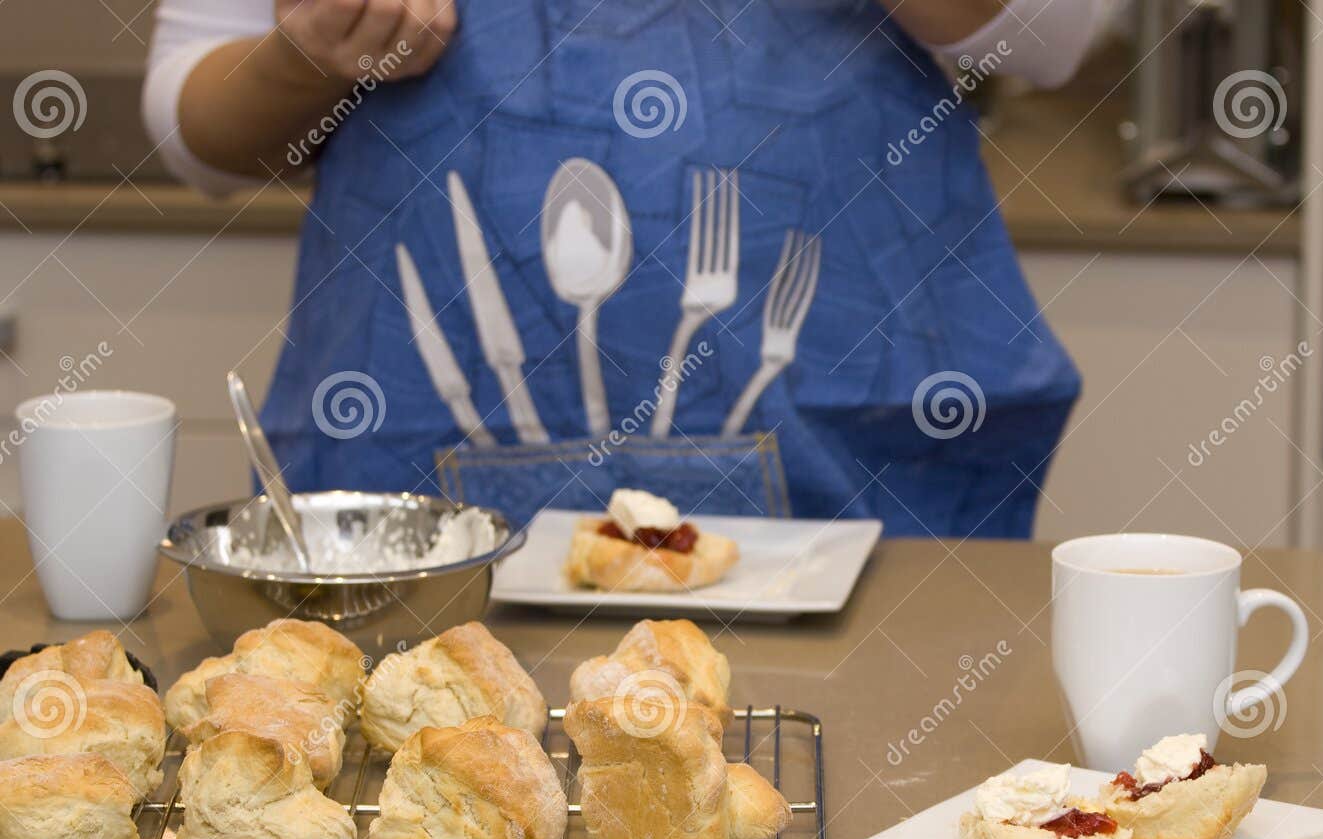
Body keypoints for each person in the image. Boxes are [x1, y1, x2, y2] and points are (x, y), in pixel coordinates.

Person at [144, 0, 1104, 537]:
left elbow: (1056, 32)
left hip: (850, 472)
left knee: (860, 799)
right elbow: (193, 128)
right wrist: (312, 57)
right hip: (417, 492)